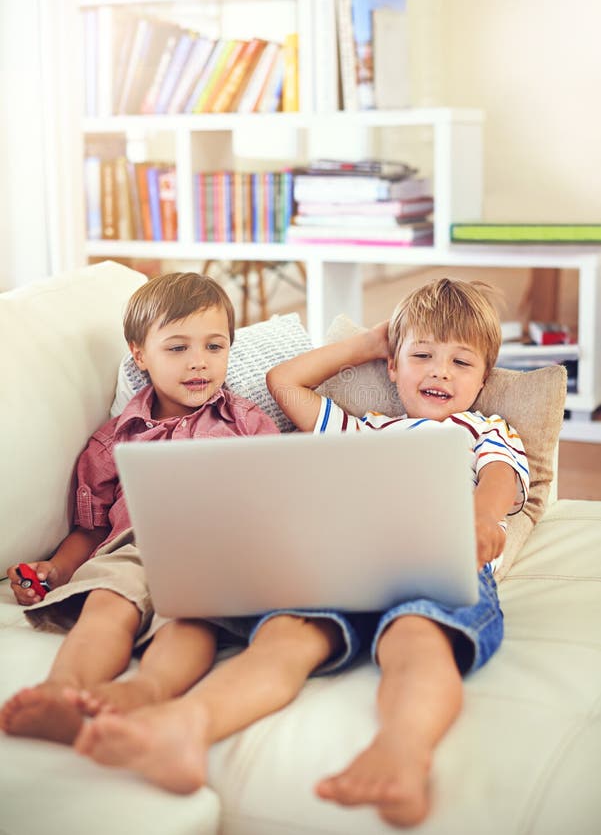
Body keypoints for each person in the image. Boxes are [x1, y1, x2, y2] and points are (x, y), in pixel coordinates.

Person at [36, 277, 528, 829]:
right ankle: (187, 725)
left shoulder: (482, 428)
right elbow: (284, 381)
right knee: (281, 639)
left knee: (417, 640)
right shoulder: (360, 428)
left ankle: (403, 750)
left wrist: (481, 521)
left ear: (484, 380)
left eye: (461, 363)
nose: (439, 372)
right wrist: (368, 343)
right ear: (393, 366)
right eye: (421, 355)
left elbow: (497, 479)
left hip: (436, 560)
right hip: (339, 565)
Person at [0, 272, 287, 746]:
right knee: (107, 602)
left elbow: (276, 499)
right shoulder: (115, 439)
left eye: (214, 347)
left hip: (215, 554)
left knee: (192, 619)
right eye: (177, 348)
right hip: (132, 547)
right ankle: (61, 692)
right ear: (140, 354)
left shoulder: (248, 422)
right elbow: (90, 532)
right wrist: (54, 568)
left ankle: (144, 692)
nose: (199, 363)